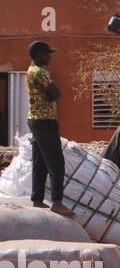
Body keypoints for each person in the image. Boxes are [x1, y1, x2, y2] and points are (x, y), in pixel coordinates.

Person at [25, 41, 72, 216]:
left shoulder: (32, 71)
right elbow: (58, 92)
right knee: (56, 162)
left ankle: (37, 199)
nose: (50, 56)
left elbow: (52, 92)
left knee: (40, 161)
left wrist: (49, 94)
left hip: (36, 120)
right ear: (37, 54)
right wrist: (51, 94)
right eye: (47, 53)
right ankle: (57, 201)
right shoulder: (39, 72)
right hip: (44, 122)